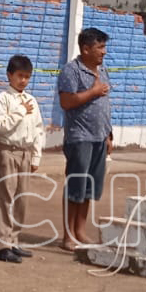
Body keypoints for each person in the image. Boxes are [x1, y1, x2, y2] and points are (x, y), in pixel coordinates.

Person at [57, 27, 113, 251]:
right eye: (100, 47)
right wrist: (93, 92)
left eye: (104, 47)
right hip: (80, 137)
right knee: (76, 186)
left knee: (89, 187)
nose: (104, 52)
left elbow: (105, 105)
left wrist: (108, 134)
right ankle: (68, 235)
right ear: (86, 49)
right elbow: (66, 102)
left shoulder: (103, 70)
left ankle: (80, 230)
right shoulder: (71, 71)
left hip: (99, 137)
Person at [0, 55, 44, 263]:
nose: (23, 81)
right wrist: (20, 111)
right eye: (20, 76)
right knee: (5, 197)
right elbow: (1, 127)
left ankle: (13, 239)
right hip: (8, 151)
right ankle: (1, 244)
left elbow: (38, 129)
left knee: (22, 198)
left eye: (27, 77)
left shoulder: (31, 100)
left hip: (25, 152)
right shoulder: (3, 99)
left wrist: (36, 156)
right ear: (9, 75)